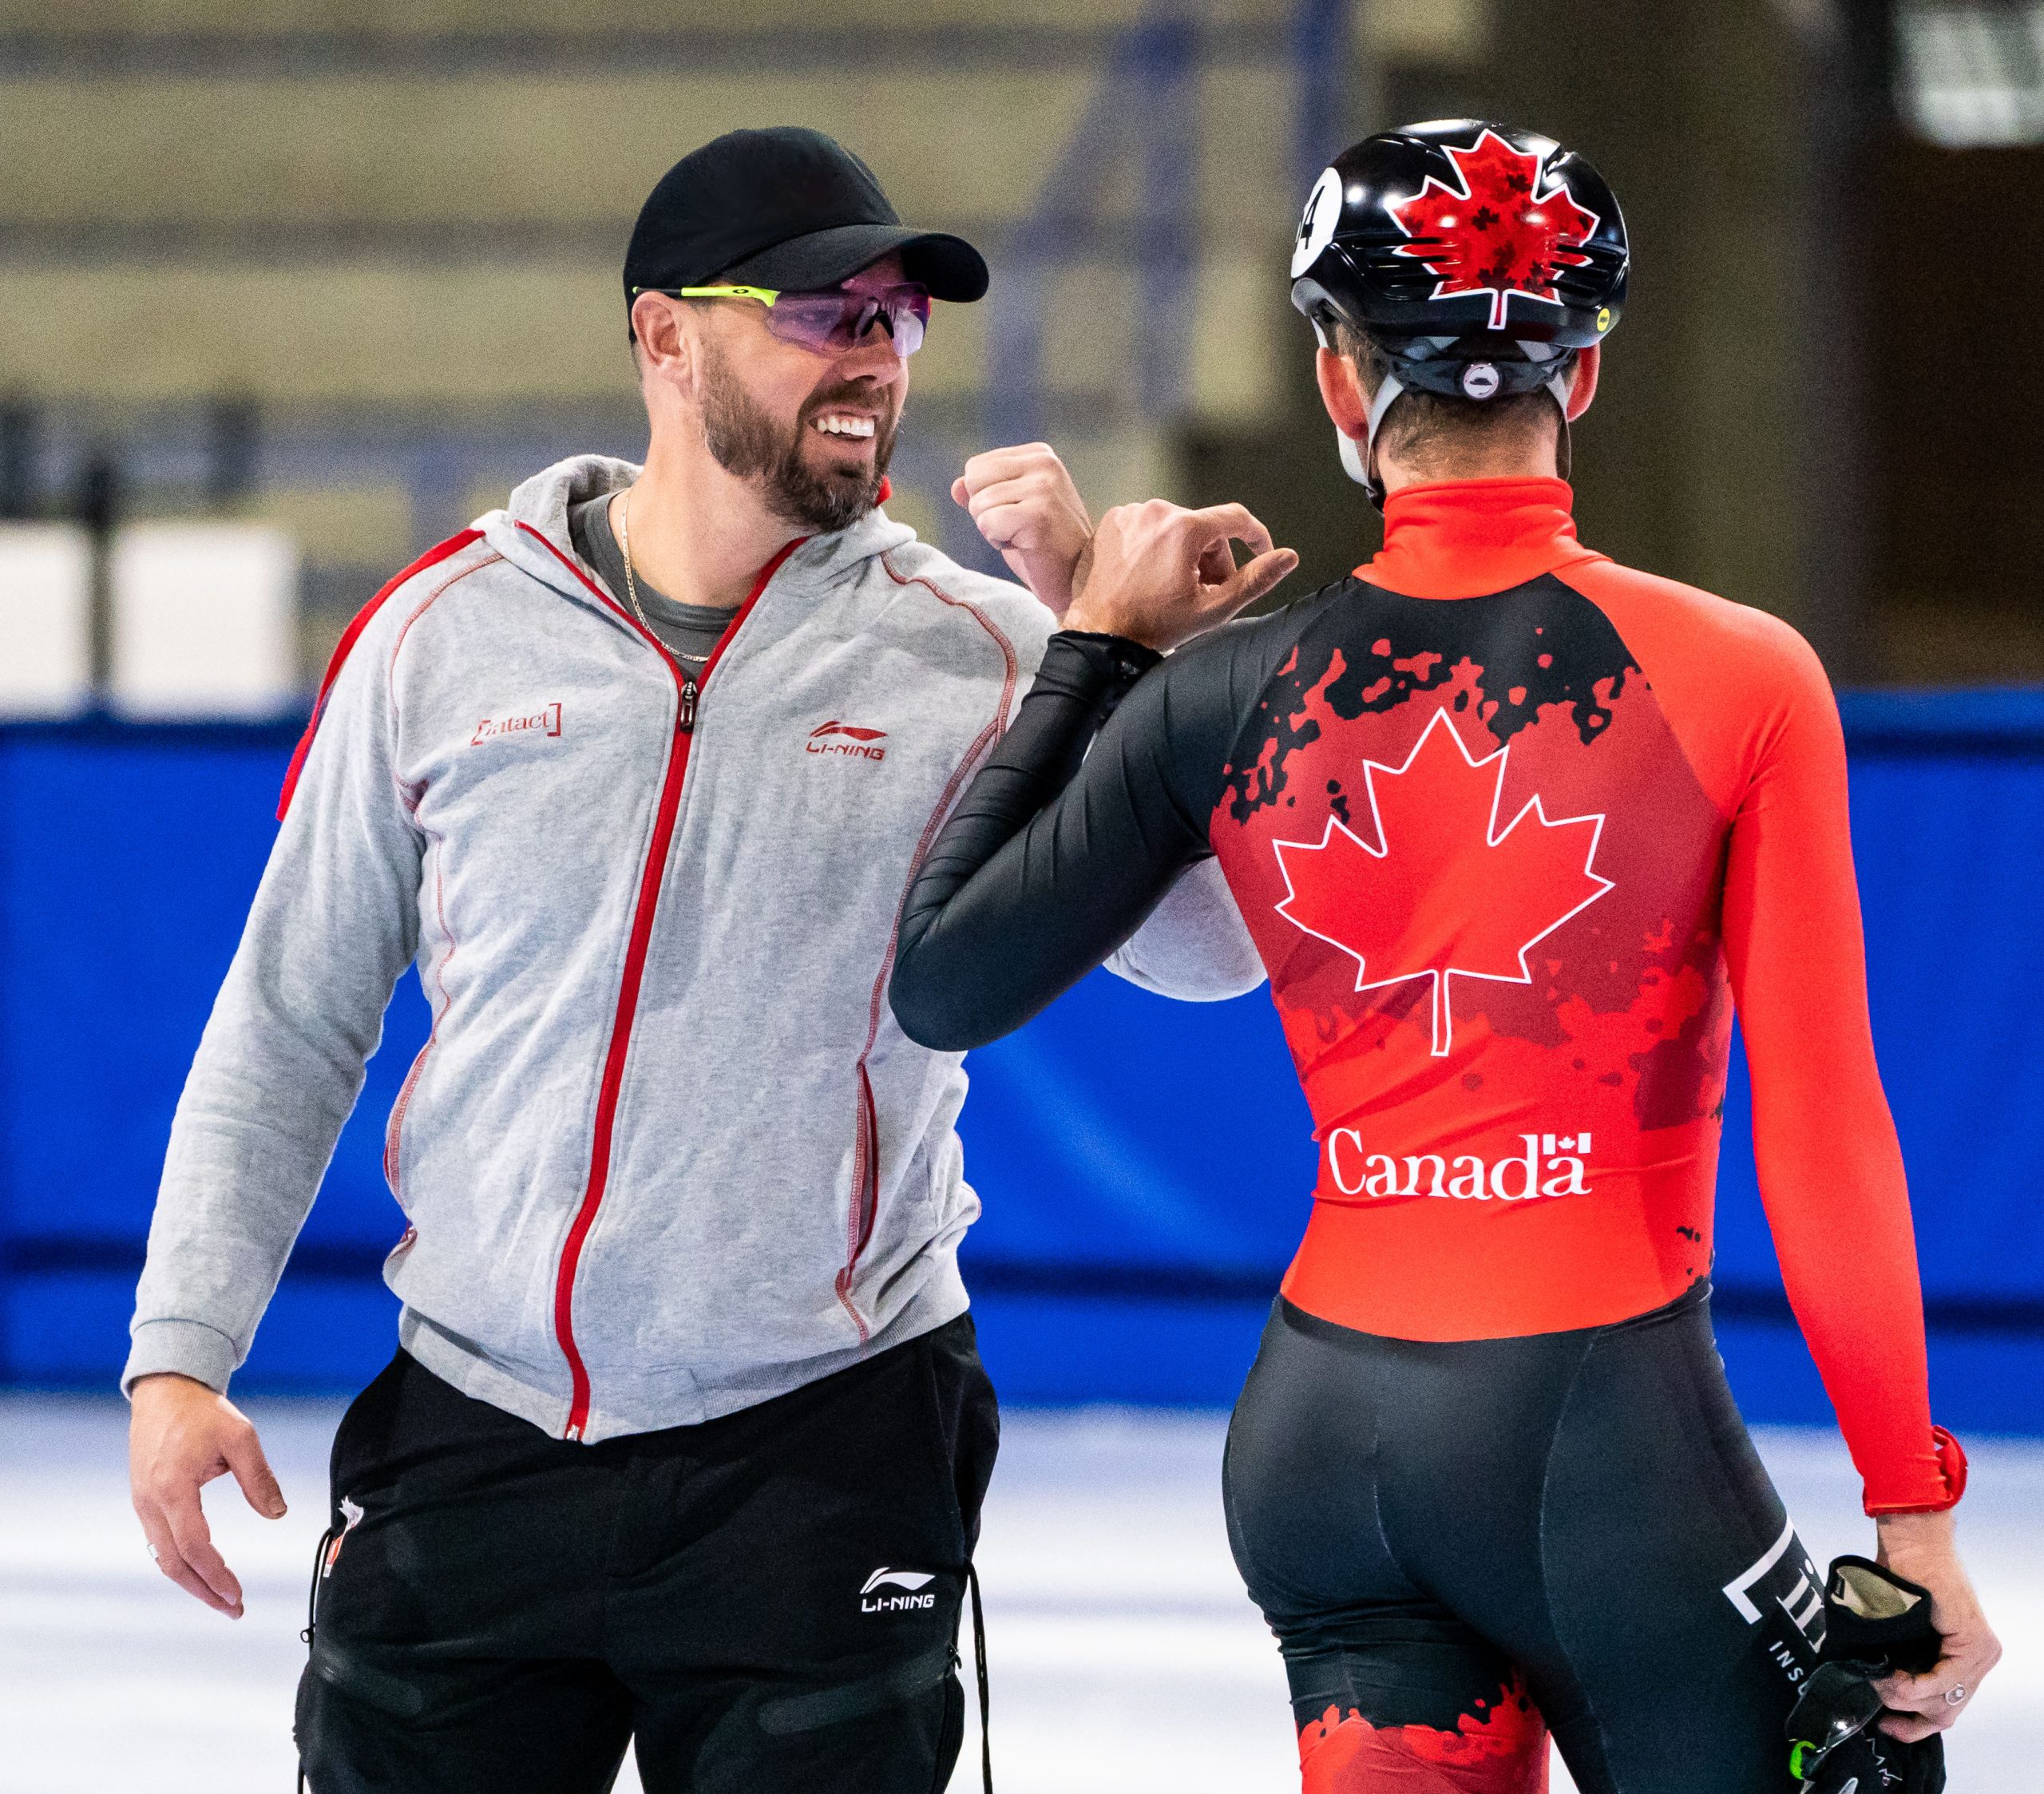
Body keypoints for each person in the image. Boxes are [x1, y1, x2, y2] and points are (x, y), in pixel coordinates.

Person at [122, 125, 1266, 1794]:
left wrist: (1108, 666)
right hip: (474, 1433)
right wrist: (178, 1350)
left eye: (897, 316)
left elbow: (1207, 957)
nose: (874, 349)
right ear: (665, 336)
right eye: (823, 309)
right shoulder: (441, 632)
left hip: (823, 1448)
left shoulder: (977, 648)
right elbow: (288, 1019)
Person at [888, 121, 1998, 1793]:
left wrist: (1095, 643)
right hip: (1595, 1435)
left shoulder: (1220, 687)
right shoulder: (1738, 678)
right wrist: (1908, 1504)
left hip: (1323, 1442)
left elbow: (943, 980)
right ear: (1587, 376)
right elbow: (1824, 1118)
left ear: (1337, 384)